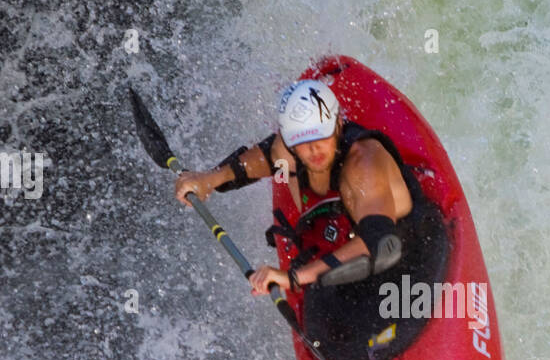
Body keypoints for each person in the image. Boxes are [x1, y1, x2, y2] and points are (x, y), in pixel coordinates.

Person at [173, 79, 411, 295]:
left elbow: (380, 242)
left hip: (404, 255)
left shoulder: (363, 163)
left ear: (338, 124)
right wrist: (210, 180)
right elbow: (266, 156)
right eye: (302, 142)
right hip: (342, 258)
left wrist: (292, 278)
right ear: (289, 141)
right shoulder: (288, 149)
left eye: (321, 136)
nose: (314, 149)